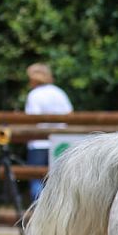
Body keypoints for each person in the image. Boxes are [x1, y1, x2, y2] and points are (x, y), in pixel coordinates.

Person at [24, 62, 72, 201]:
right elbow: (70, 114)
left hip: (39, 142)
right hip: (60, 142)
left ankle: (39, 209)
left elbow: (32, 119)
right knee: (59, 179)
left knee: (36, 178)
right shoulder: (59, 92)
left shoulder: (34, 95)